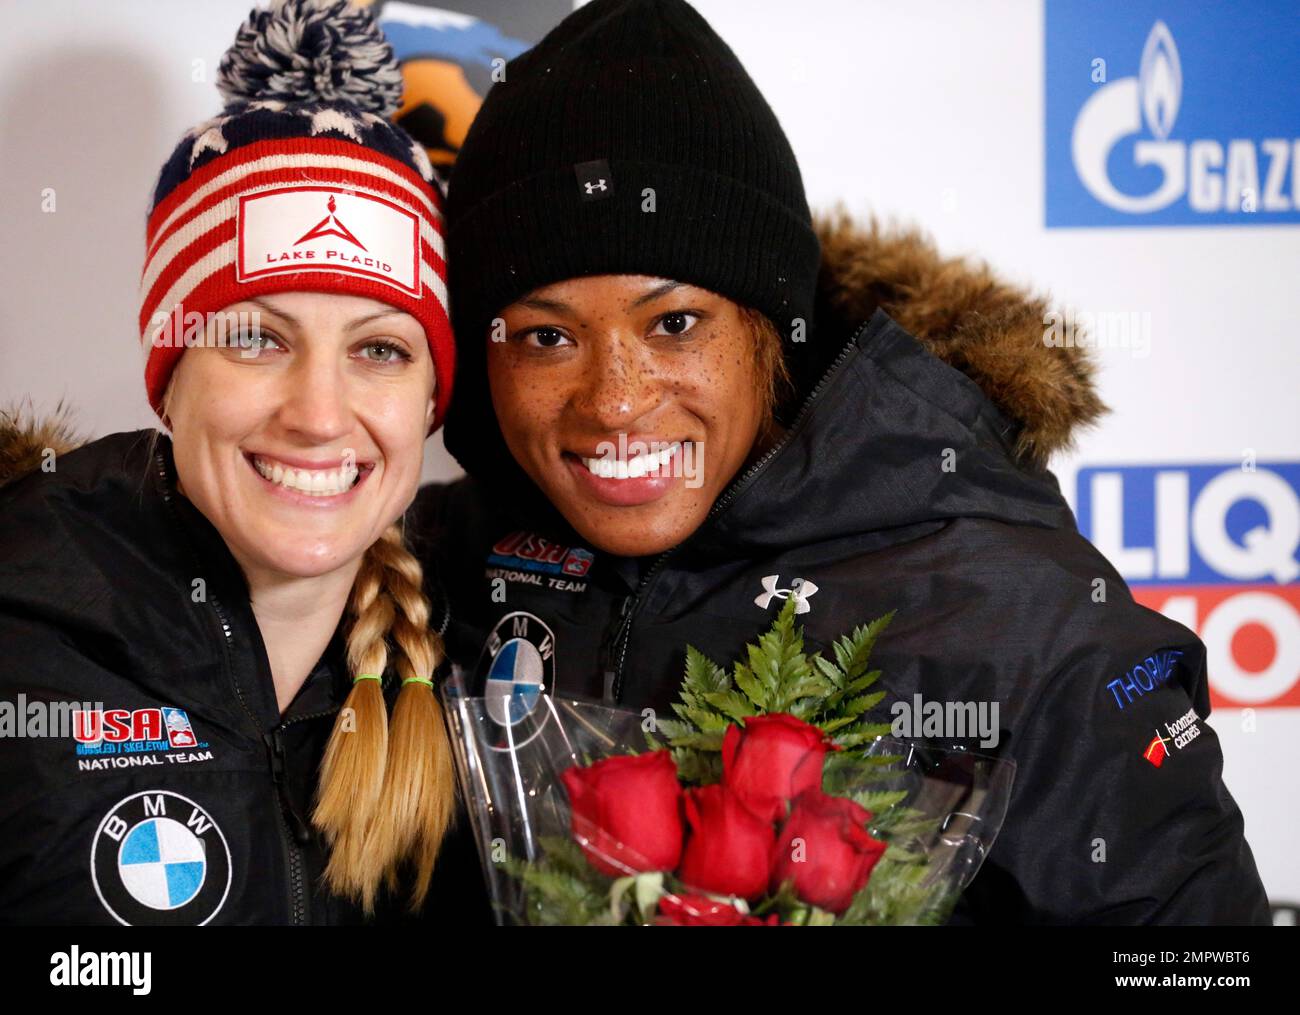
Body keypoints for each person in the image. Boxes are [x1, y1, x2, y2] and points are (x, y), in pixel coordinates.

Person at [410, 0, 1271, 924]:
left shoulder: (1027, 622)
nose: (615, 399)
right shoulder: (435, 572)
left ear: (773, 333)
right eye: (546, 336)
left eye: (674, 323)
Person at [0, 0, 487, 926]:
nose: (316, 414)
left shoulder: (473, 665)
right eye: (257, 338)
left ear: (430, 400)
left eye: (380, 348)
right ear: (168, 378)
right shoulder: (21, 631)